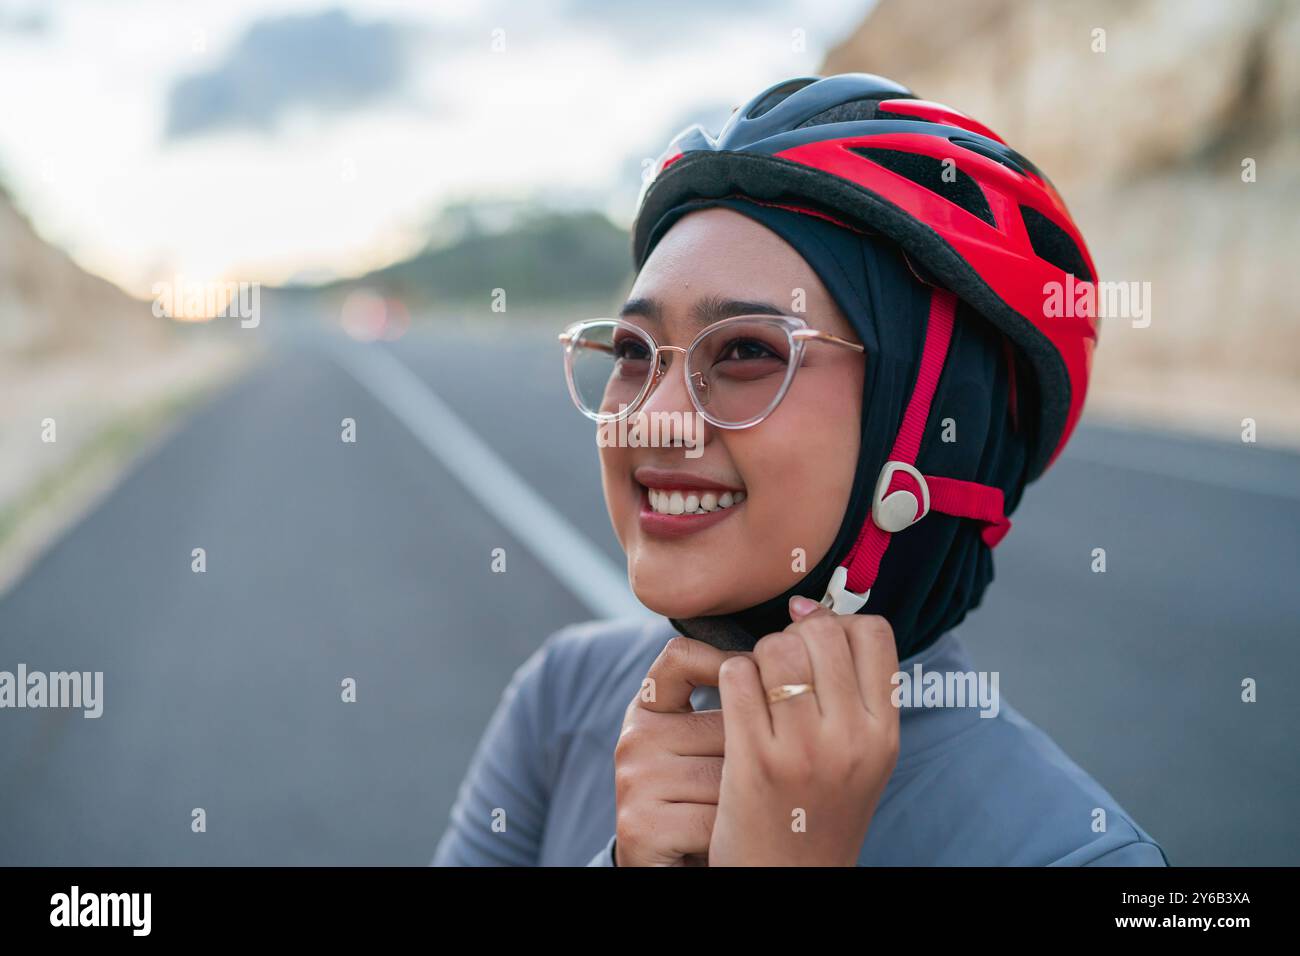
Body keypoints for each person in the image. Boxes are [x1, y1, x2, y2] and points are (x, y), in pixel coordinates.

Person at [432, 73, 1169, 866]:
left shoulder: (1081, 855)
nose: (651, 418)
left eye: (747, 350)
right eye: (632, 352)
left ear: (929, 434)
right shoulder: (566, 697)